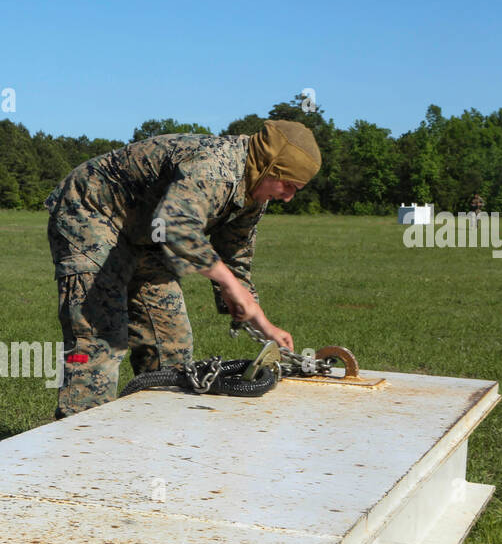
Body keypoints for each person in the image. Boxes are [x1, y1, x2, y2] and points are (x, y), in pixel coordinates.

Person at [45, 120, 321, 417]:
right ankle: (79, 447)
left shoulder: (253, 194)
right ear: (269, 168)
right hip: (92, 212)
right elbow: (176, 225)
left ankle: (159, 442)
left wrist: (263, 324)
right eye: (288, 186)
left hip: (149, 235)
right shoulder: (216, 168)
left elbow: (235, 254)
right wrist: (229, 285)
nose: (288, 197)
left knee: (171, 344)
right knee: (100, 339)